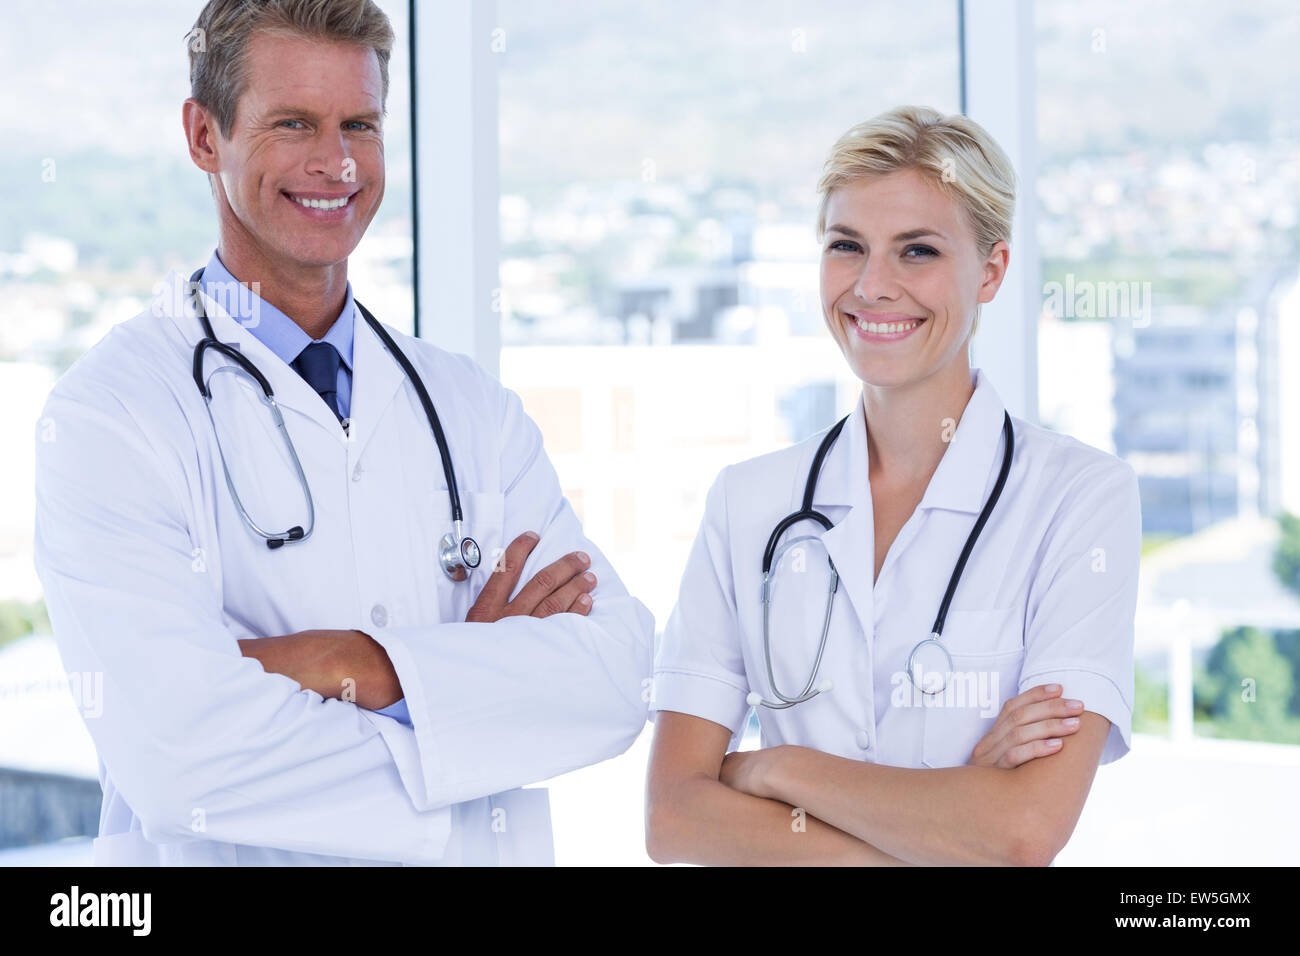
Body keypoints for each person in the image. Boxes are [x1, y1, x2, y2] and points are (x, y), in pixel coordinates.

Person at [33, 0, 653, 866]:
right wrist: (467, 710)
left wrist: (341, 662)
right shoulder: (110, 418)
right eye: (294, 123)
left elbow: (615, 680)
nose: (336, 163)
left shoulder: (471, 409)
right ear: (205, 136)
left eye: (359, 124)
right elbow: (183, 763)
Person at [644, 105, 1141, 866]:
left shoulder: (1080, 501)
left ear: (993, 271)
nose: (873, 287)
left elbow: (1020, 832)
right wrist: (947, 818)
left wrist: (774, 768)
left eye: (918, 252)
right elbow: (675, 818)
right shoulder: (748, 504)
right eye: (847, 247)